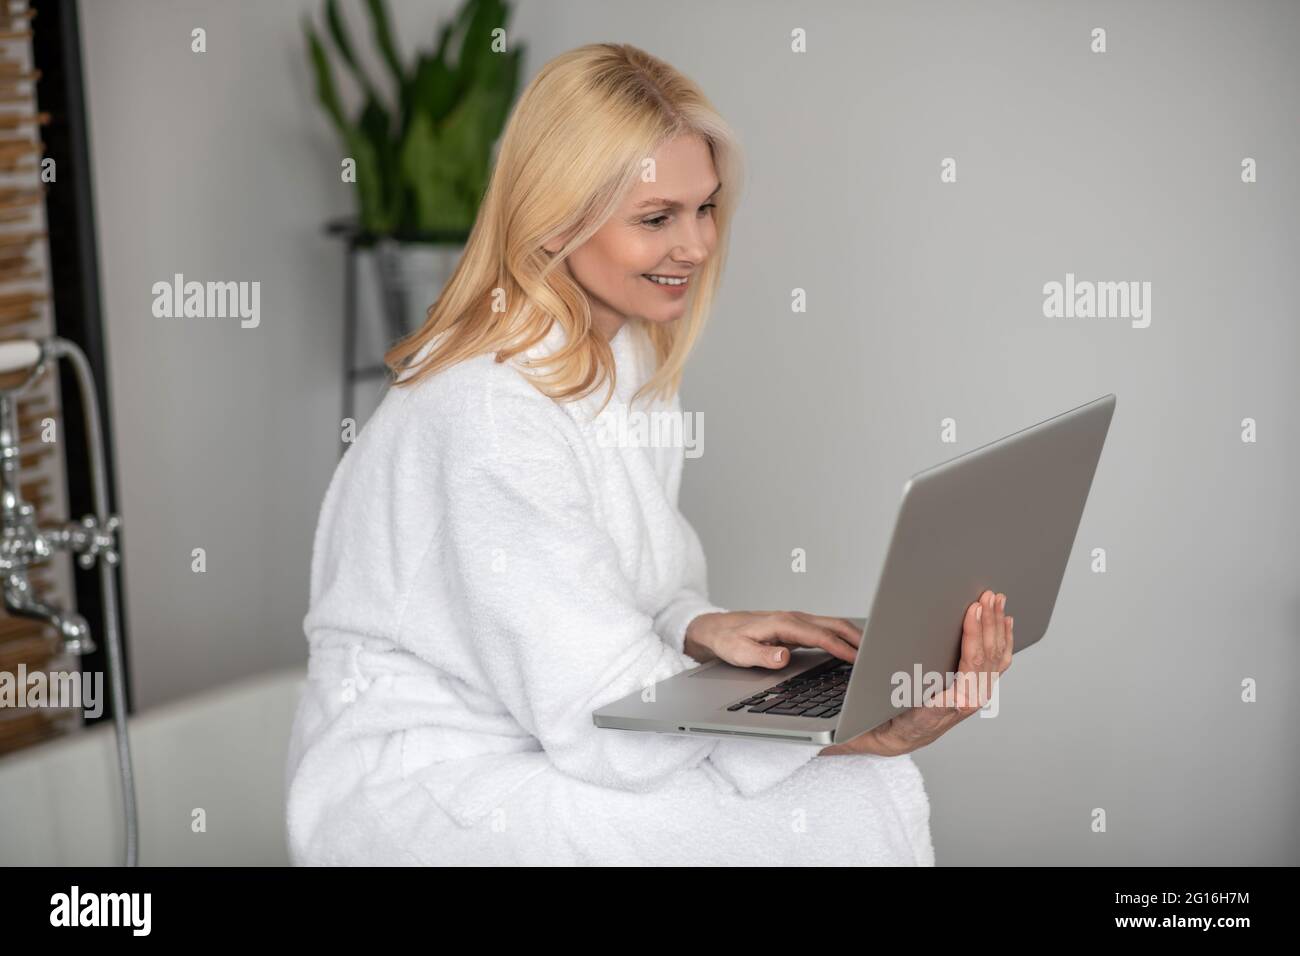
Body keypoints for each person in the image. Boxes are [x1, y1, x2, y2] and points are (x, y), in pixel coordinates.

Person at [284, 42, 1013, 866]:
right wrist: (858, 735)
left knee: (837, 794)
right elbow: (609, 719)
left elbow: (610, 599)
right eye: (657, 217)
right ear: (555, 217)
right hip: (419, 791)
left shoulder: (624, 362)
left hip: (547, 733)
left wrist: (694, 625)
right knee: (847, 797)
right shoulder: (490, 414)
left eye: (705, 208)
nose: (698, 247)